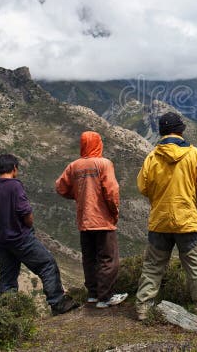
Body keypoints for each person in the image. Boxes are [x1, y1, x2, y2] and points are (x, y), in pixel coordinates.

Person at [134, 111, 197, 320]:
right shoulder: (195, 155)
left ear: (161, 132)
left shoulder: (152, 157)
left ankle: (143, 308)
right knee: (195, 269)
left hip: (160, 221)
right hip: (188, 221)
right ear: (181, 131)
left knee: (153, 268)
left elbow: (143, 186)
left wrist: (159, 196)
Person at [0, 153, 79, 316]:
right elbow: (25, 211)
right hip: (20, 238)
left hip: (1, 240)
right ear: (14, 169)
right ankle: (57, 302)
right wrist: (28, 224)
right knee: (47, 264)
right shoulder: (15, 185)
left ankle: (6, 315)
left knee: (7, 277)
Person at [55, 131, 128, 309]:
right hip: (102, 219)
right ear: (98, 144)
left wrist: (78, 195)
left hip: (84, 220)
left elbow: (60, 187)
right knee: (108, 258)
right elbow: (111, 192)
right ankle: (106, 297)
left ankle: (93, 295)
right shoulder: (104, 164)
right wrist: (114, 212)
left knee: (89, 258)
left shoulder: (74, 166)